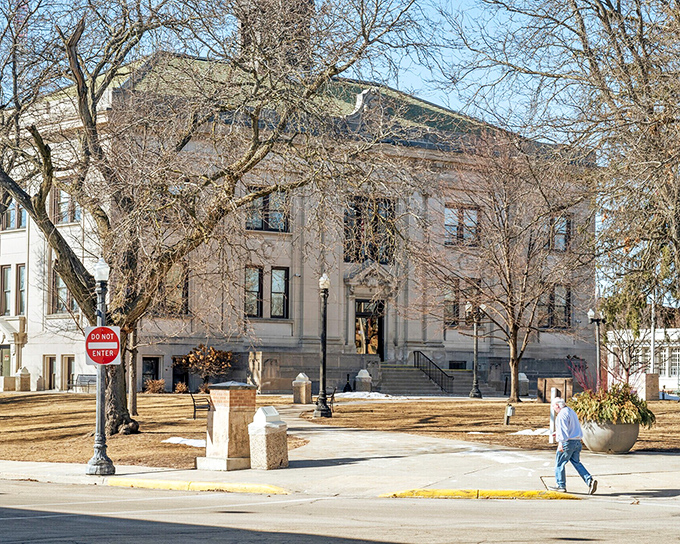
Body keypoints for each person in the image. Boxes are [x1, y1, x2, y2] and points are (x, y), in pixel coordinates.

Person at [549, 397, 597, 494]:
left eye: (553, 406)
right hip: (577, 441)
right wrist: (557, 432)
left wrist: (560, 443)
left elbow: (564, 432)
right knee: (576, 462)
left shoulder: (561, 415)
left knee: (559, 464)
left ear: (557, 405)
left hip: (567, 442)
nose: (553, 408)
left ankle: (560, 485)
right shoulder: (571, 411)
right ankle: (589, 480)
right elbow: (570, 427)